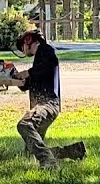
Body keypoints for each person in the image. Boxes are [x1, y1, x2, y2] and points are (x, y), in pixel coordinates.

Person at [8, 29, 86, 169]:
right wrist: (12, 80)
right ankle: (74, 150)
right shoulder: (39, 60)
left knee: (24, 125)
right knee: (31, 153)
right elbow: (32, 81)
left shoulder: (46, 50)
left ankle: (48, 162)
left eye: (22, 47)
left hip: (47, 104)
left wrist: (28, 72)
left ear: (28, 41)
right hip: (47, 105)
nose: (23, 51)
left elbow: (48, 65)